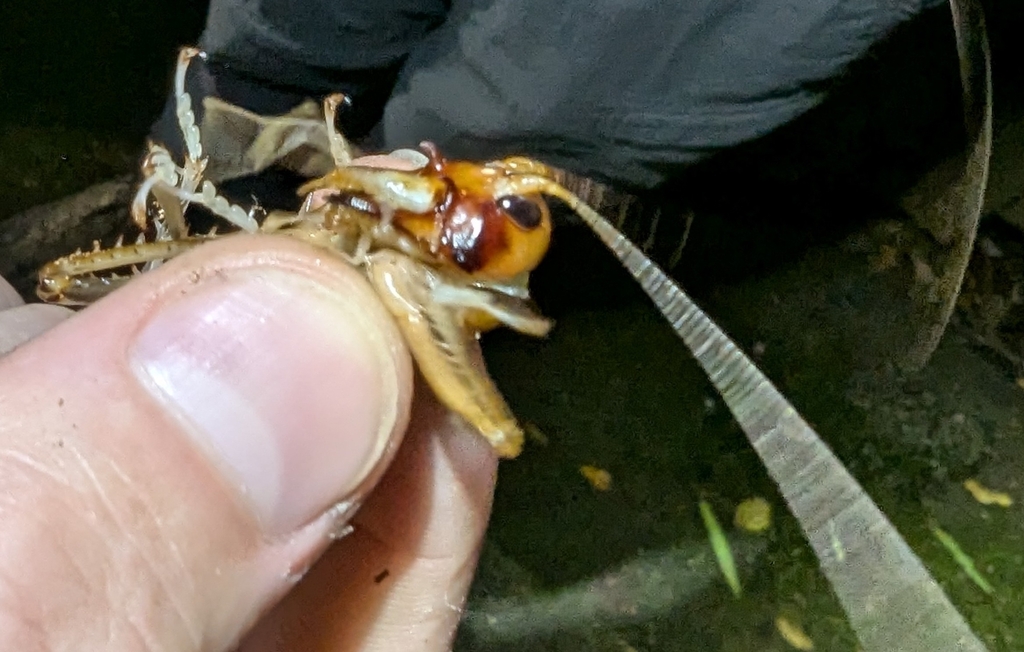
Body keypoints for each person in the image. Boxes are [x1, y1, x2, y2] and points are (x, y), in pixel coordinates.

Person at [0, 0, 947, 649]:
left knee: (514, 111)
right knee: (281, 52)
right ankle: (203, 185)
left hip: (418, 231)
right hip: (304, 197)